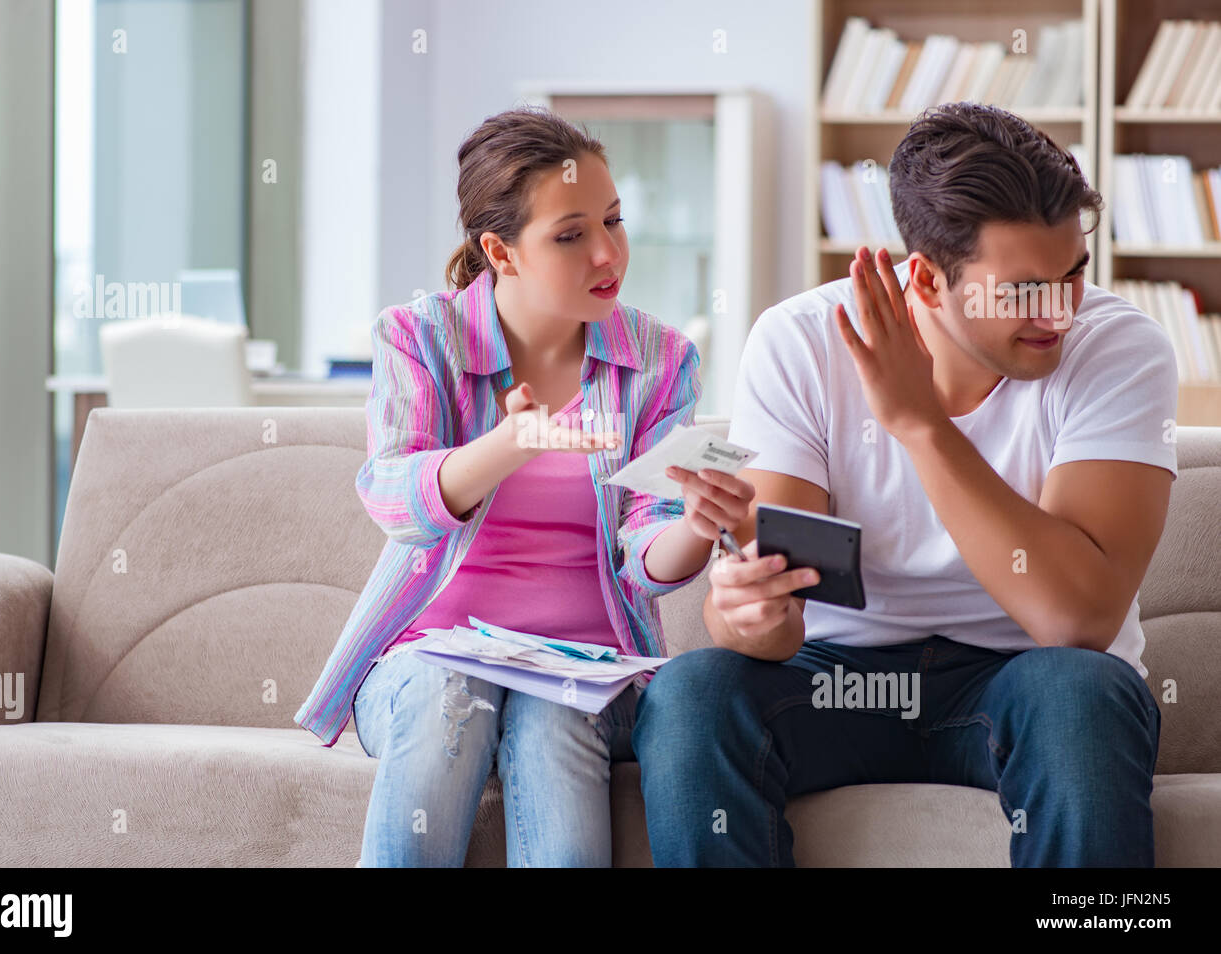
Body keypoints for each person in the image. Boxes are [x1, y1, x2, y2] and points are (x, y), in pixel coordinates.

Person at [634, 101, 1175, 867]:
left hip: (1027, 680)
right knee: (691, 694)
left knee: (1082, 693)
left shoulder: (1121, 349)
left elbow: (1078, 619)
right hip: (836, 679)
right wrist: (743, 614)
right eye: (1022, 291)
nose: (1060, 313)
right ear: (925, 278)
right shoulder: (800, 342)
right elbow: (780, 613)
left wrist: (921, 424)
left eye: (1073, 274)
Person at [293, 106, 754, 867]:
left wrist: (698, 523)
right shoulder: (421, 337)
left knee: (552, 723)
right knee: (451, 701)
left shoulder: (659, 360)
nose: (608, 252)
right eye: (571, 234)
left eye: (613, 220)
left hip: (586, 666)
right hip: (426, 657)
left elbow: (649, 550)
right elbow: (392, 496)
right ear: (500, 252)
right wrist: (510, 443)